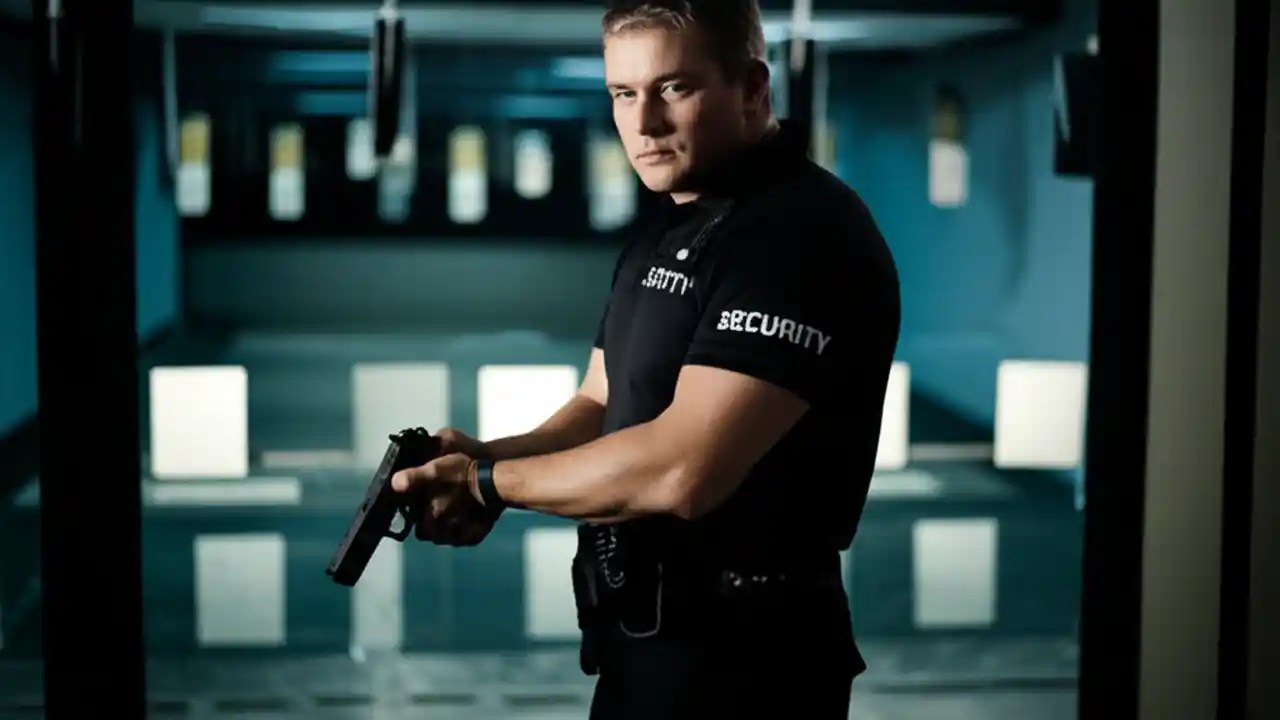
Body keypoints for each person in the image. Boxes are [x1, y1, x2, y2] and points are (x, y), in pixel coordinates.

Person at [390, 0, 900, 716]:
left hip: (752, 664)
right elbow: (600, 404)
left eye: (674, 88)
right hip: (646, 643)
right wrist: (483, 458)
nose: (644, 123)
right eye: (624, 94)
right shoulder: (669, 224)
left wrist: (490, 483)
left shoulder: (800, 235)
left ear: (753, 88)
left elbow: (685, 470)